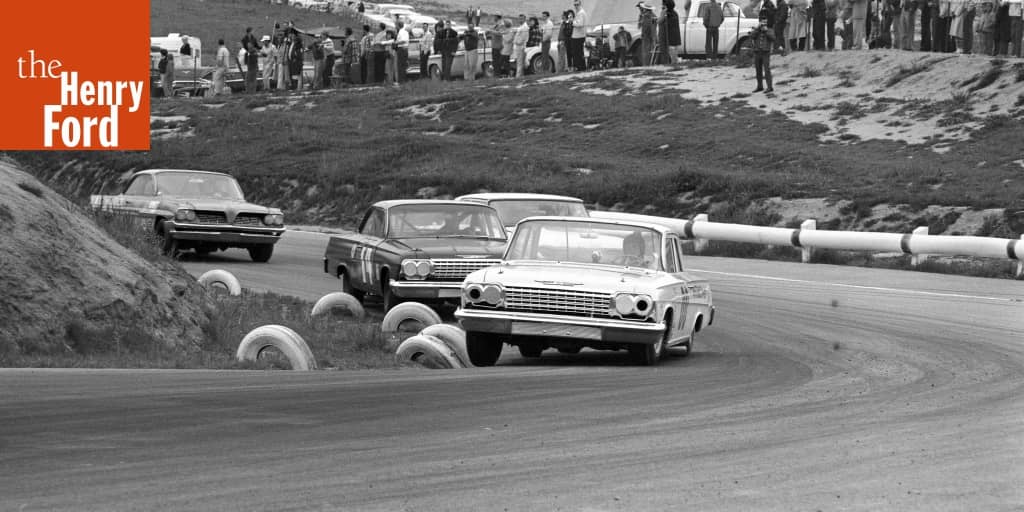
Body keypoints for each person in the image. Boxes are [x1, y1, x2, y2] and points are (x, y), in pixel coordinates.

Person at [750, 11, 775, 92]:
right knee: (758, 70)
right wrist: (758, 28)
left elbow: (773, 38)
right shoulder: (757, 30)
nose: (764, 24)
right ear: (760, 22)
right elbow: (752, 36)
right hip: (757, 52)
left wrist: (766, 31)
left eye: (765, 22)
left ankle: (770, 86)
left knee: (767, 69)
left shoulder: (770, 29)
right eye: (762, 22)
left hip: (765, 52)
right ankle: (760, 86)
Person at [571, 0, 589, 70]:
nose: (576, 6)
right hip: (577, 35)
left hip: (579, 36)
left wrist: (572, 22)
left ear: (580, 4)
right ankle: (579, 67)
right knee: (577, 52)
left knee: (578, 53)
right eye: (574, 5)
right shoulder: (579, 12)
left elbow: (580, 24)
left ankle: (580, 67)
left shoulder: (581, 13)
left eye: (577, 4)